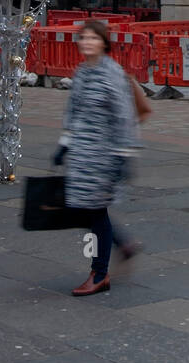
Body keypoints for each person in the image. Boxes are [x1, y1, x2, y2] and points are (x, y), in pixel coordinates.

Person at [52, 20, 140, 296]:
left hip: (104, 154)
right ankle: (121, 245)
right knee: (88, 209)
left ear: (104, 43)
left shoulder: (112, 73)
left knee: (94, 210)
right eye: (83, 38)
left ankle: (99, 273)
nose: (87, 42)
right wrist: (64, 144)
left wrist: (124, 155)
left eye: (93, 38)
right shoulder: (81, 72)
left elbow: (124, 115)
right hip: (82, 153)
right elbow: (74, 109)